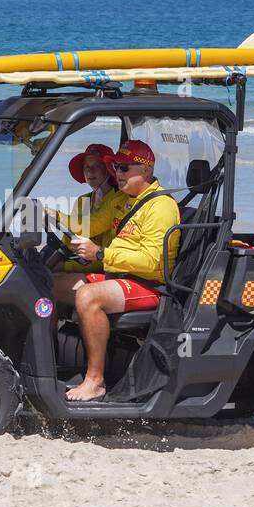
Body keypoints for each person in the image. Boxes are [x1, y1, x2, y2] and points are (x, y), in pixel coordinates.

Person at [61, 140, 180, 402]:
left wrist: (101, 254)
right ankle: (51, 363)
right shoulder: (123, 200)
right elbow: (89, 226)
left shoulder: (161, 207)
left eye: (124, 168)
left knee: (88, 296)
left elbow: (152, 262)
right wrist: (40, 214)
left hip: (149, 285)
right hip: (121, 276)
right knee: (51, 284)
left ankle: (95, 381)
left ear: (146, 171)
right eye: (115, 167)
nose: (118, 173)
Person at [50, 144, 129, 273]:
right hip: (80, 261)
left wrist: (64, 266)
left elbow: (92, 227)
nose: (89, 171)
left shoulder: (118, 199)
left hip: (103, 266)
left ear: (108, 169)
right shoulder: (83, 200)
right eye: (86, 167)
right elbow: (67, 239)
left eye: (96, 166)